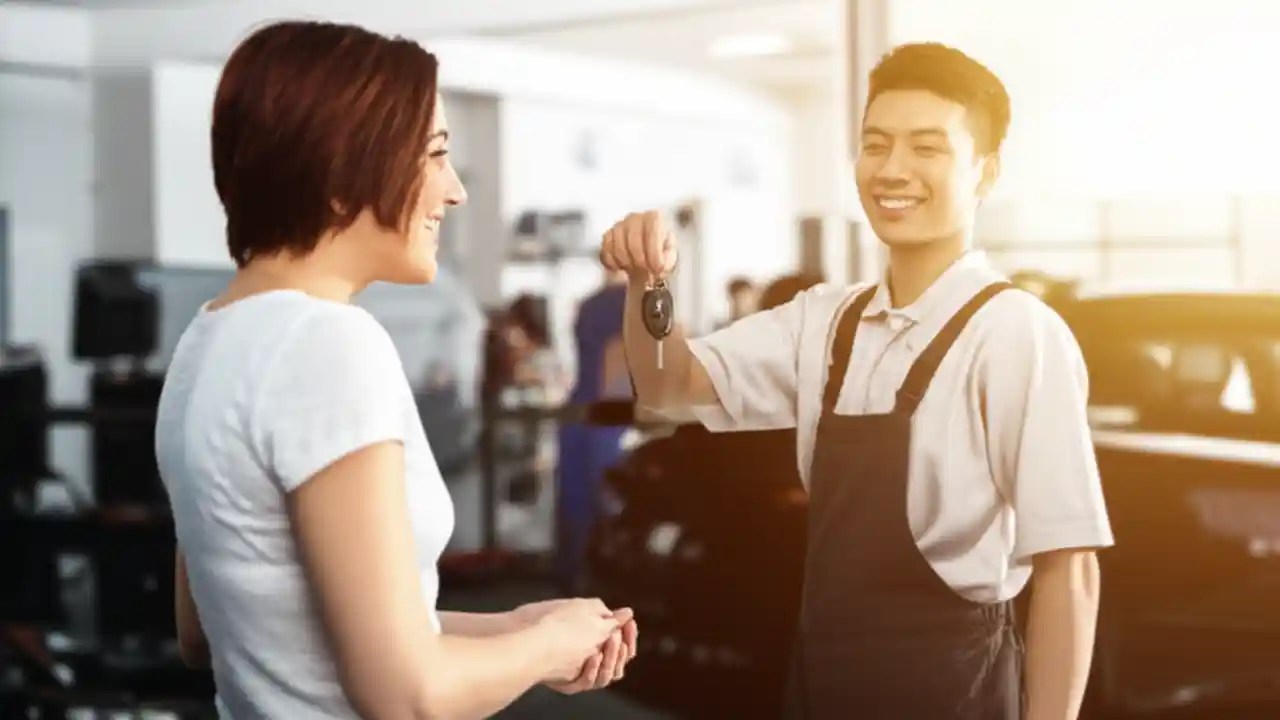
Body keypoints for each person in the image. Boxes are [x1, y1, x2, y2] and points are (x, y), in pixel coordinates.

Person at [599, 42, 1112, 719]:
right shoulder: (826, 321)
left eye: (927, 148)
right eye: (876, 144)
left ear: (985, 173)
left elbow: (1068, 568)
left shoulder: (1017, 333)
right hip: (825, 681)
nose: (893, 169)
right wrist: (650, 280)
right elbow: (669, 386)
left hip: (950, 689)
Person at [155, 20, 636, 720]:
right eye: (436, 154)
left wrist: (519, 629)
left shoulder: (205, 343)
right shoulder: (328, 346)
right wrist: (544, 650)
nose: (454, 191)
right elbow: (407, 696)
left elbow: (216, 631)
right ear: (346, 169)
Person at [555, 269, 631, 592]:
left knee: (576, 502)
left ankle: (572, 581)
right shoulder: (632, 302)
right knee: (610, 502)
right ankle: (605, 588)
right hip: (607, 414)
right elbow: (616, 363)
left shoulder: (588, 305)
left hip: (578, 413)